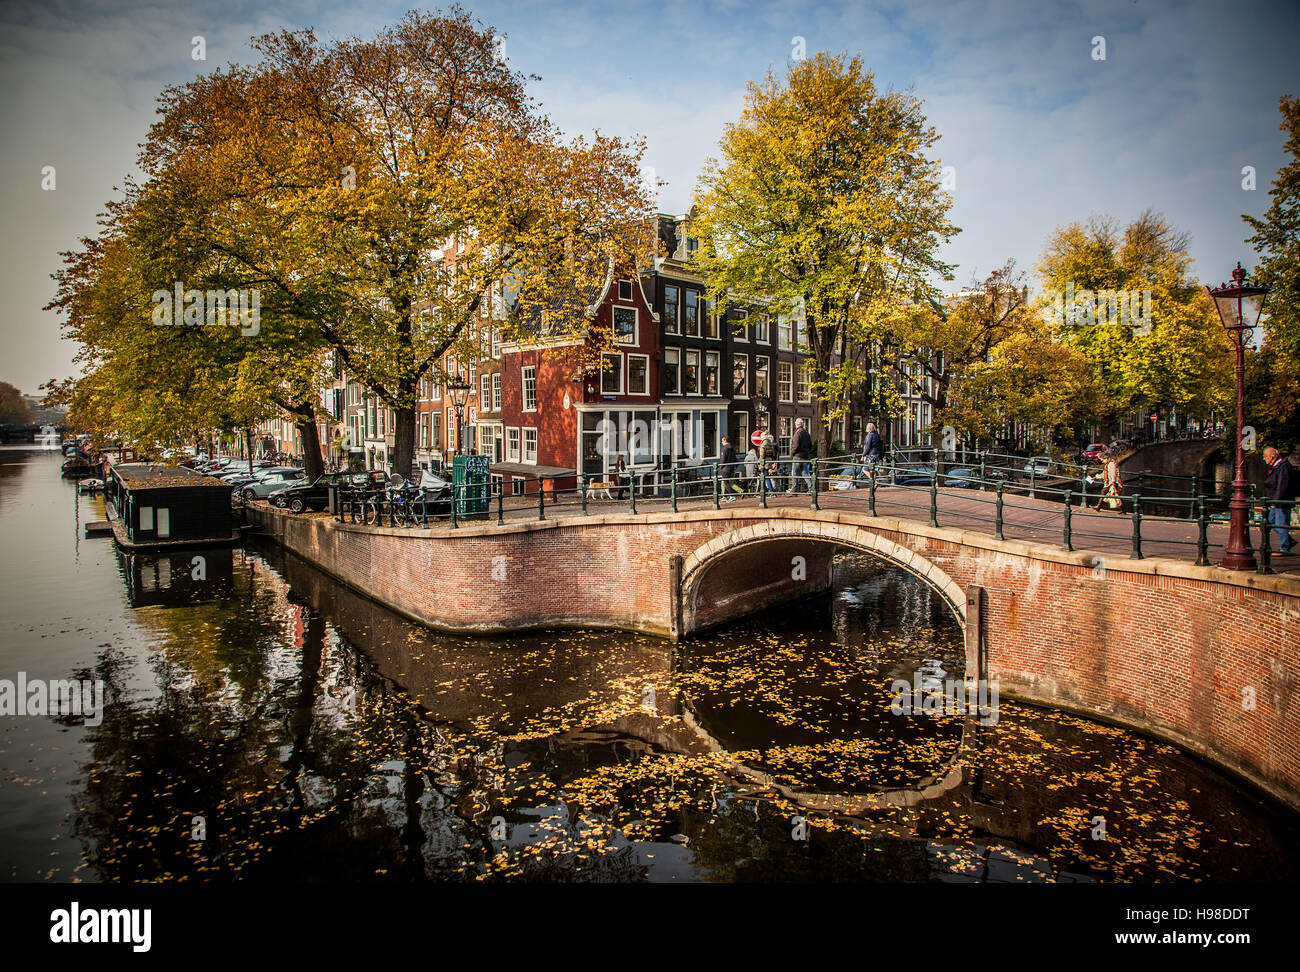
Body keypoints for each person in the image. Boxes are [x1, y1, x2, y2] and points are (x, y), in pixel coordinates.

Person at [1263, 446, 1296, 554]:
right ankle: (1288, 540)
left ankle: (1285, 548)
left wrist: (1276, 502)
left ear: (1272, 457)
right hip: (1273, 500)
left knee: (1280, 524)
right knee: (1269, 522)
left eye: (1265, 457)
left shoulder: (1283, 466)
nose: (1264, 459)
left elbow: (1282, 485)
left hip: (1280, 502)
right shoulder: (1276, 466)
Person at [788, 418, 812, 493]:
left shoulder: (798, 433)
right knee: (805, 473)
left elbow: (795, 445)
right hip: (805, 456)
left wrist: (792, 454)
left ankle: (794, 490)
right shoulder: (806, 433)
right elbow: (810, 445)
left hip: (798, 456)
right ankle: (811, 488)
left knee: (794, 473)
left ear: (797, 424)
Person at [719, 436, 742, 500]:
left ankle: (732, 496)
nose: (721, 442)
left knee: (725, 482)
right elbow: (736, 459)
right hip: (732, 468)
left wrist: (721, 466)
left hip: (726, 469)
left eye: (722, 441)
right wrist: (735, 466)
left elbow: (723, 459)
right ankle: (725, 497)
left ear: (725, 440)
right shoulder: (732, 449)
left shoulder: (724, 449)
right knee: (727, 482)